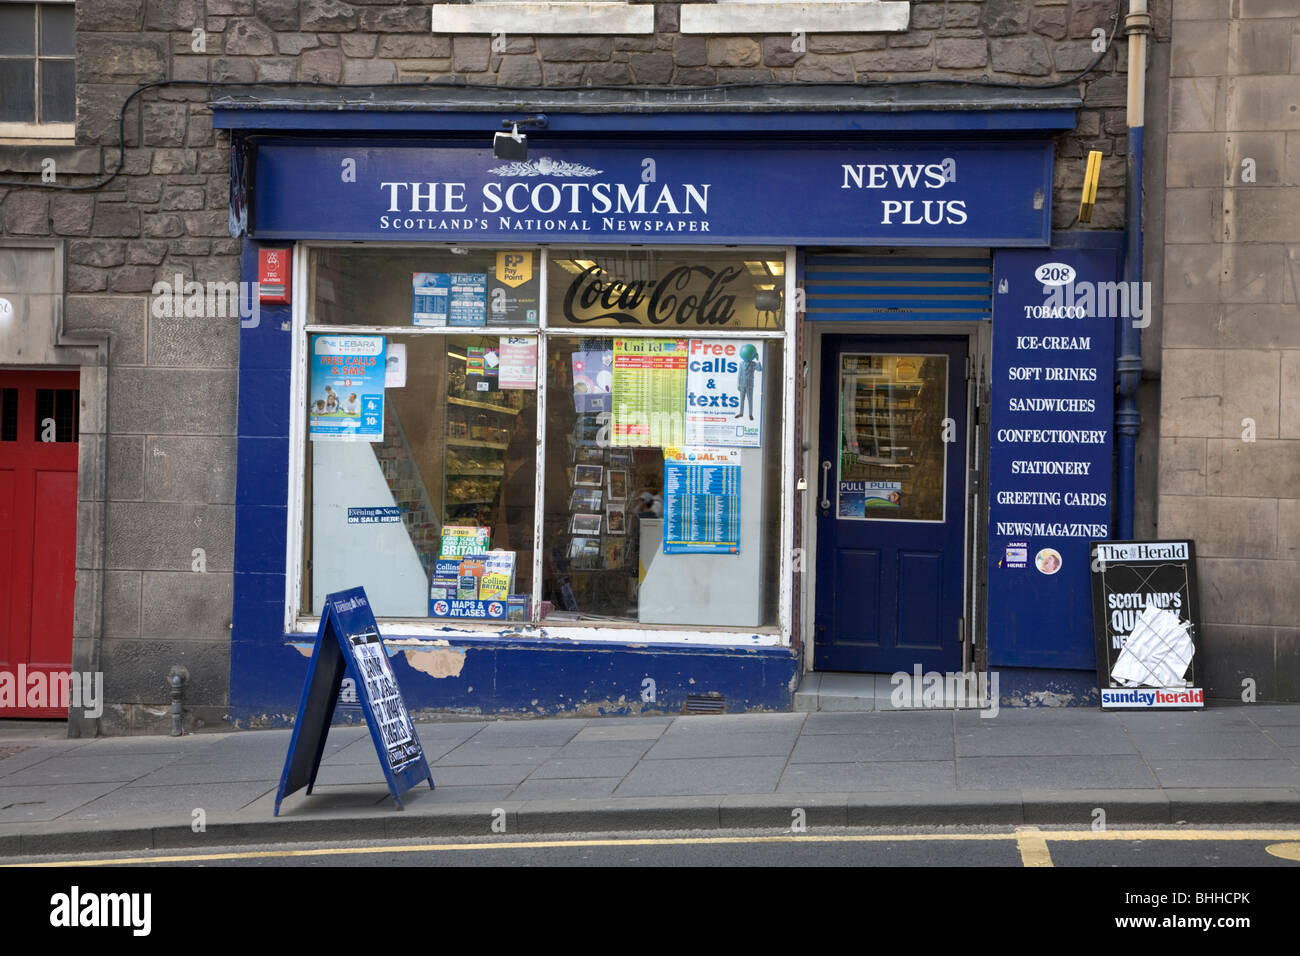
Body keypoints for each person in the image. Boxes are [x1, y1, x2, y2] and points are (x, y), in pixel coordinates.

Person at [734, 343, 762, 420]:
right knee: (742, 400)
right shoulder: (741, 364)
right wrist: (738, 385)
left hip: (750, 385)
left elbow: (759, 369)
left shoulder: (753, 364)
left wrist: (758, 360)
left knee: (750, 400)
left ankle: (750, 414)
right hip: (742, 385)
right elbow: (739, 375)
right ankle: (741, 413)